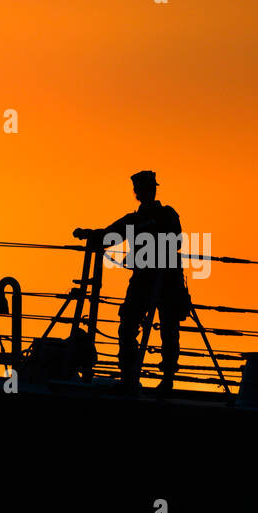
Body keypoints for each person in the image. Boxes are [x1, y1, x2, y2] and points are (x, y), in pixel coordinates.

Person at [73, 169, 191, 394]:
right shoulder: (133, 220)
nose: (144, 192)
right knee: (128, 324)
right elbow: (110, 235)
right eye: (141, 188)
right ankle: (129, 375)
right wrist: (91, 235)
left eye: (147, 188)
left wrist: (149, 229)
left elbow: (176, 239)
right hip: (143, 280)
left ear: (152, 190)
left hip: (167, 280)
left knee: (168, 329)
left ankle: (166, 379)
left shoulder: (167, 215)